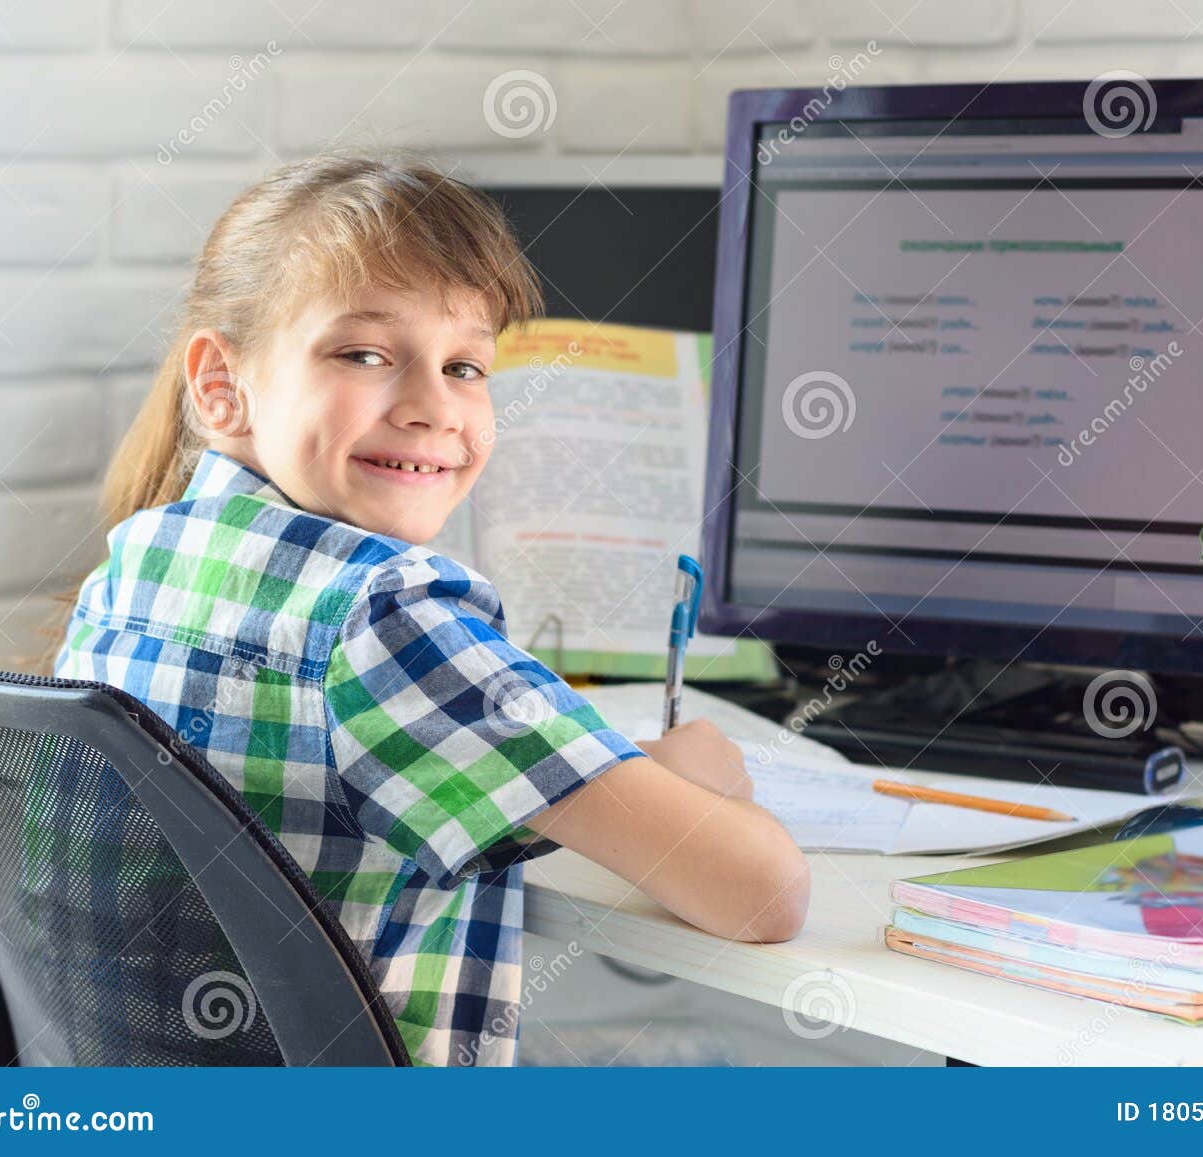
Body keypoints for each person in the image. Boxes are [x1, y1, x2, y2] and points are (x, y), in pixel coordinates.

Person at [44, 148, 809, 1067]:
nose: (432, 407)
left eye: (466, 366)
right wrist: (695, 780)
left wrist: (607, 773)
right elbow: (766, 896)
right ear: (222, 385)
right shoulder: (388, 611)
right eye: (364, 354)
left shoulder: (138, 561)